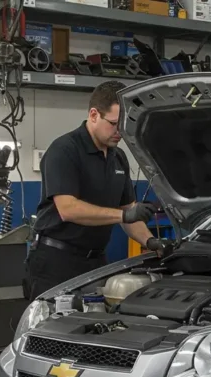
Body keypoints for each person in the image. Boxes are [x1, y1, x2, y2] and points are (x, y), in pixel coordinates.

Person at [24, 81, 169, 300]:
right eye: (113, 123)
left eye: (124, 124)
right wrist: (124, 215)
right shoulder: (64, 150)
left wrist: (151, 242)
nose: (120, 131)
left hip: (96, 263)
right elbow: (68, 209)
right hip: (55, 264)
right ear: (93, 115)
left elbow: (128, 210)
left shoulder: (117, 157)